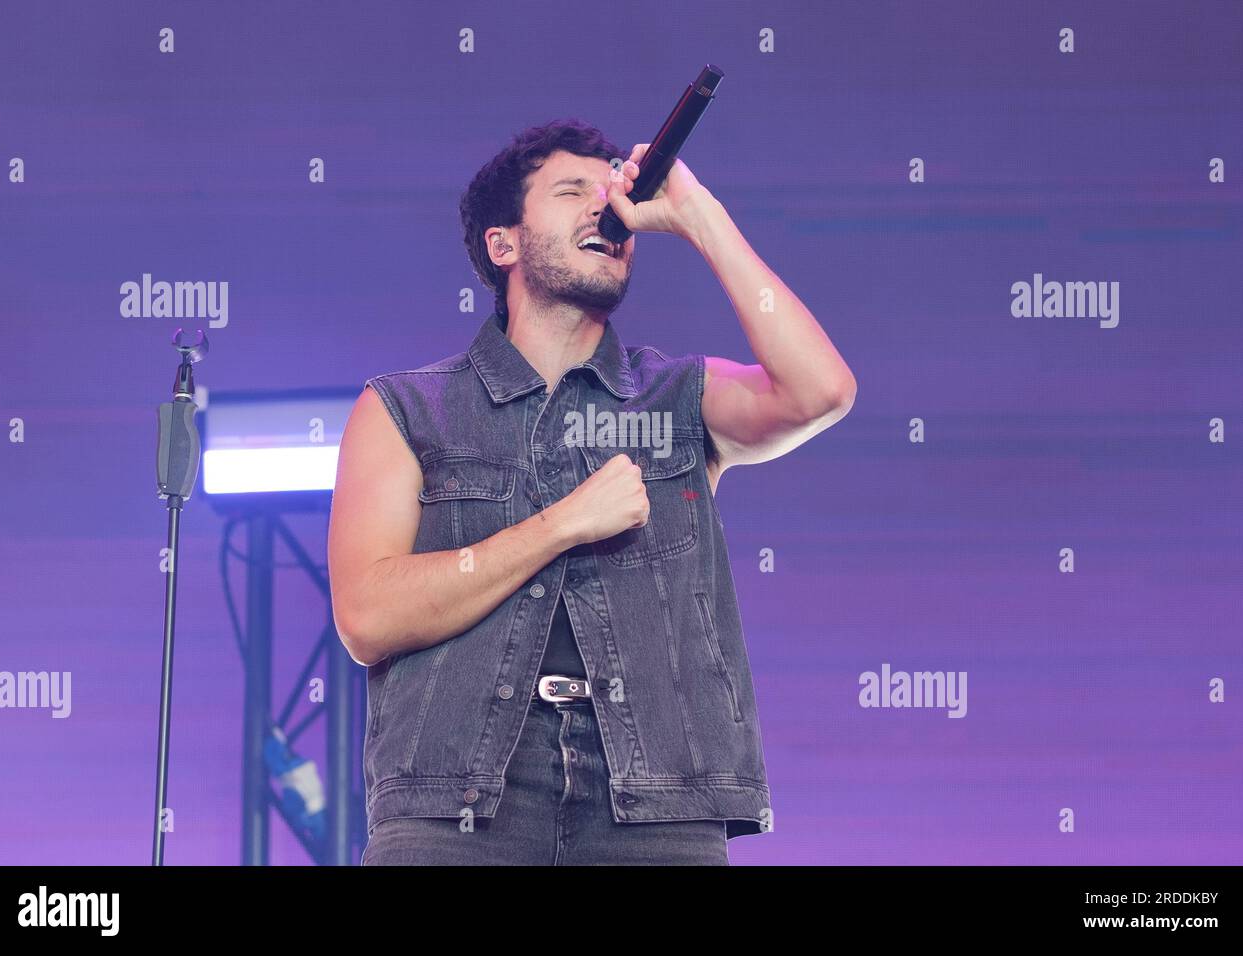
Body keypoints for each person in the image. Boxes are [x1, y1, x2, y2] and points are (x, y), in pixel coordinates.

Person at [328, 119, 856, 865]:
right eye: (571, 191)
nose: (603, 210)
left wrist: (697, 214)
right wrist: (561, 525)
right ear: (501, 244)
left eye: (610, 194)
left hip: (658, 806)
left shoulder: (676, 398)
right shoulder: (404, 409)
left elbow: (821, 391)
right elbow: (367, 616)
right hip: (456, 810)